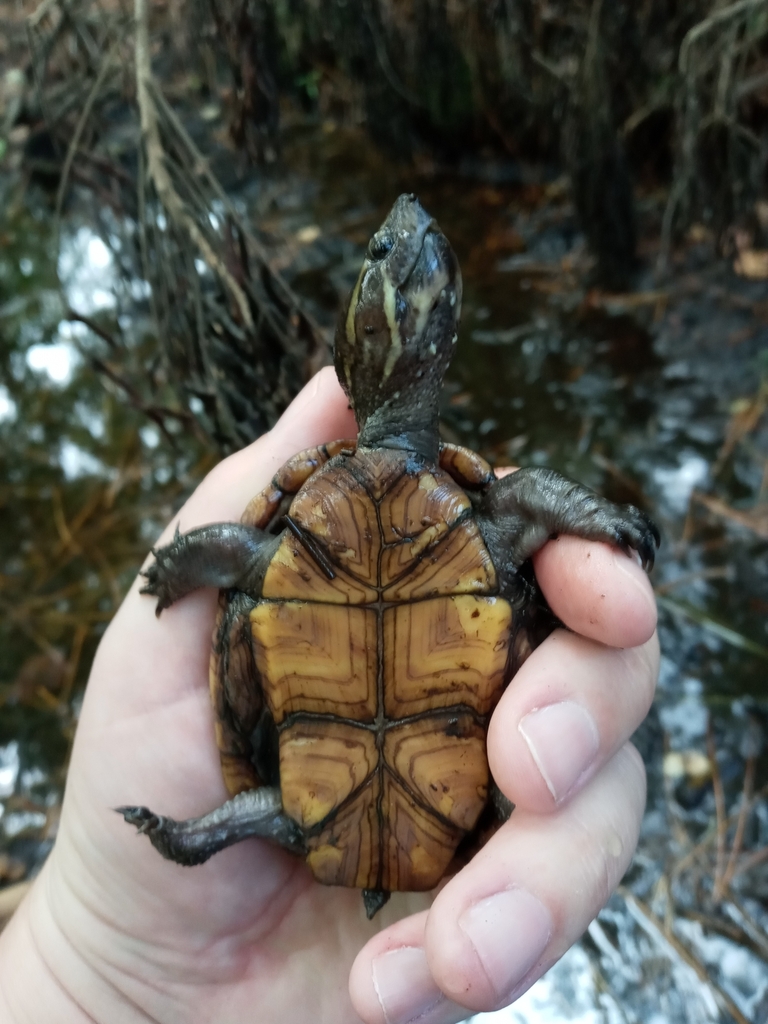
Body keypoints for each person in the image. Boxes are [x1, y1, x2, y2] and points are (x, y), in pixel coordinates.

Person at [0, 368, 659, 1024]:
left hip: (309, 811)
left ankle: (193, 839)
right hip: (390, 801)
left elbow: (243, 556)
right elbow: (530, 498)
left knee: (285, 808)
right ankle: (195, 838)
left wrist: (174, 575)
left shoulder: (296, 812)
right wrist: (600, 521)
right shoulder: (482, 531)